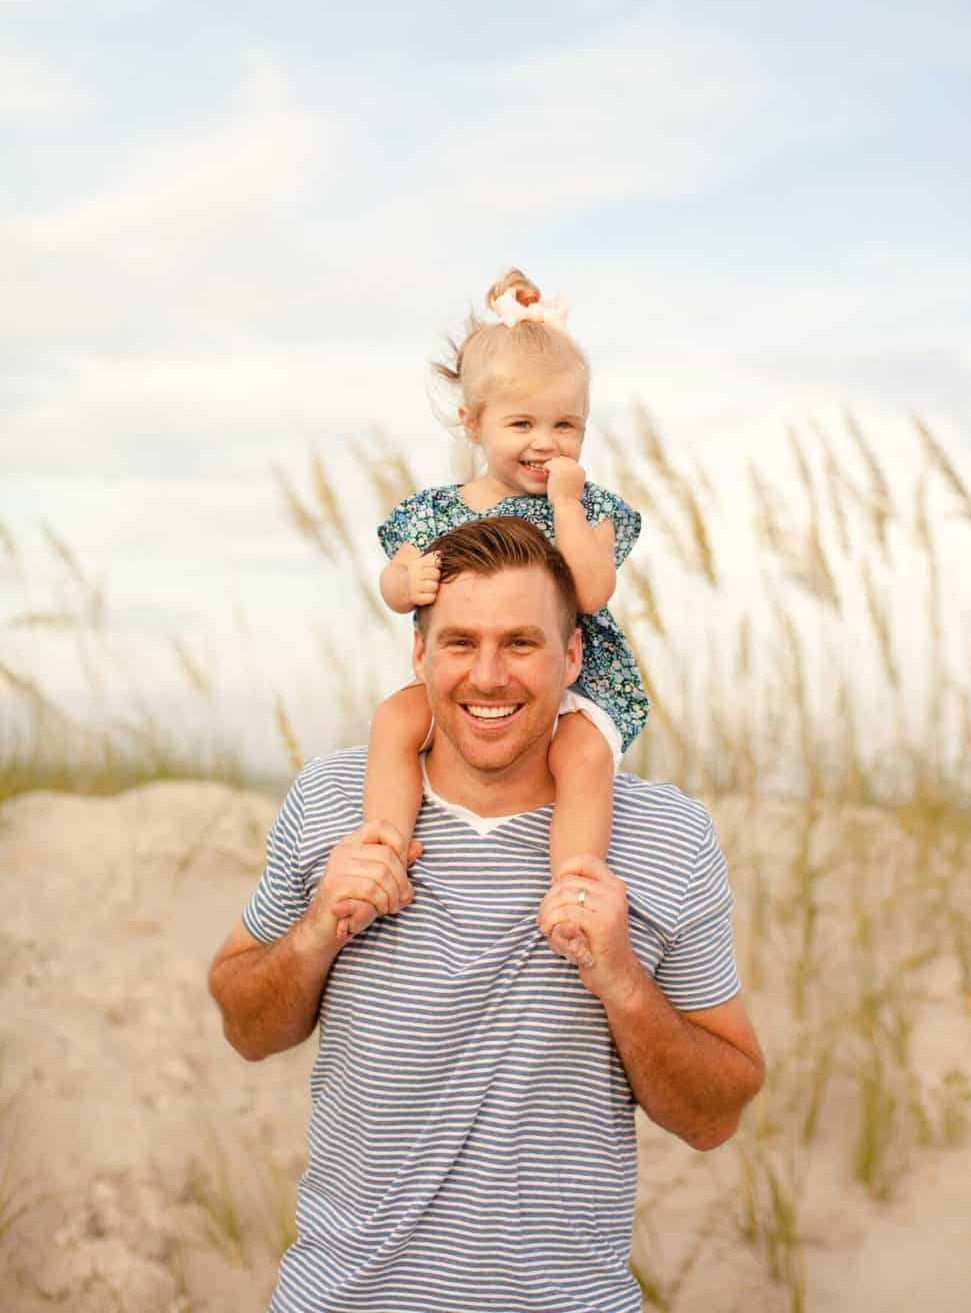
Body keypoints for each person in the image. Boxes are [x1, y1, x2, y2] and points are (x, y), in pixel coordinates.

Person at [208, 515, 764, 1313]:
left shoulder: (666, 836)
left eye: (522, 643)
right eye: (461, 643)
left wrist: (622, 980)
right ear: (420, 656)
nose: (489, 675)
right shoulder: (330, 799)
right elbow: (243, 1026)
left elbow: (716, 1116)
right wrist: (319, 927)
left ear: (572, 657)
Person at [338, 269, 649, 965]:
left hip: (575, 682)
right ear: (474, 424)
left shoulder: (591, 509)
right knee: (396, 720)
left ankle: (573, 884)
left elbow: (592, 592)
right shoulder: (436, 511)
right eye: (523, 424)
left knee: (582, 755)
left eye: (565, 425)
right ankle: (384, 844)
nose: (547, 442)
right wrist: (406, 582)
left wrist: (565, 507)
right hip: (472, 680)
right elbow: (391, 583)